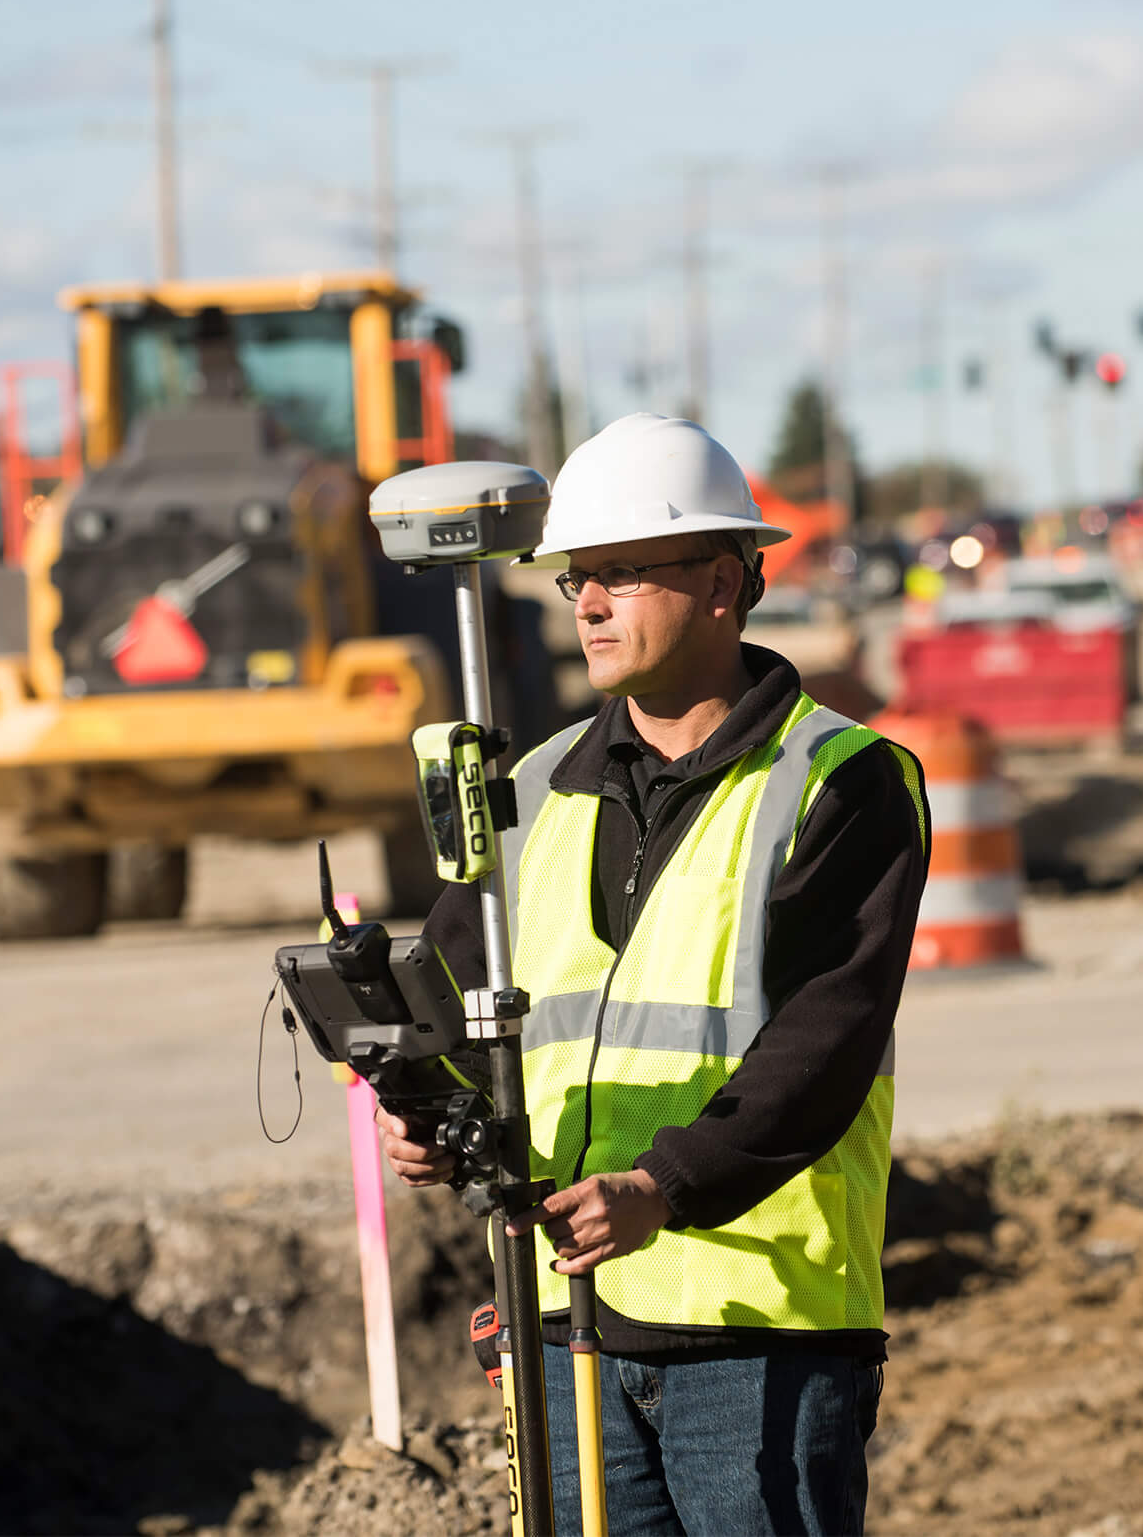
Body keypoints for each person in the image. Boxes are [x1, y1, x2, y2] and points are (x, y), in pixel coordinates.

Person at [377, 413, 931, 1536]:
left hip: (759, 1325)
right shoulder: (533, 788)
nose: (585, 603)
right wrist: (428, 1110)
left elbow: (824, 1040)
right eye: (579, 577)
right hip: (561, 1318)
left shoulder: (841, 780)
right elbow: (445, 991)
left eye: (622, 574)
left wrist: (661, 1187)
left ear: (722, 581)